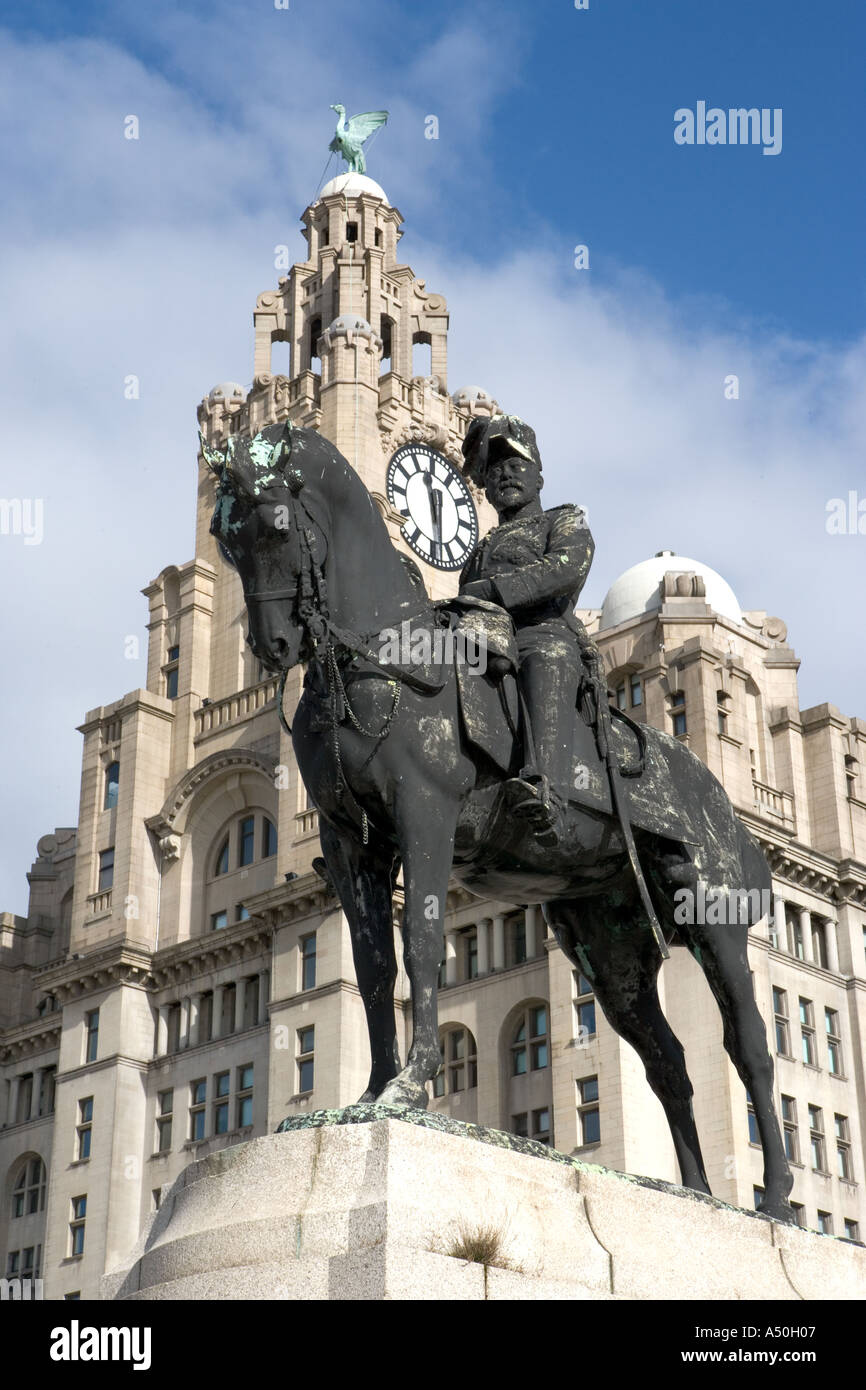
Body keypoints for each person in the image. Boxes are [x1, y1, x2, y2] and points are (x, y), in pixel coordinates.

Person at [460, 414, 599, 847]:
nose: (505, 475)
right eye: (496, 469)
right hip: (482, 641)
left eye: (517, 466)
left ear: (539, 477)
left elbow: (565, 570)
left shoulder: (564, 520)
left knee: (547, 660)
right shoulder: (481, 547)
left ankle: (548, 794)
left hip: (542, 634)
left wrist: (494, 590)